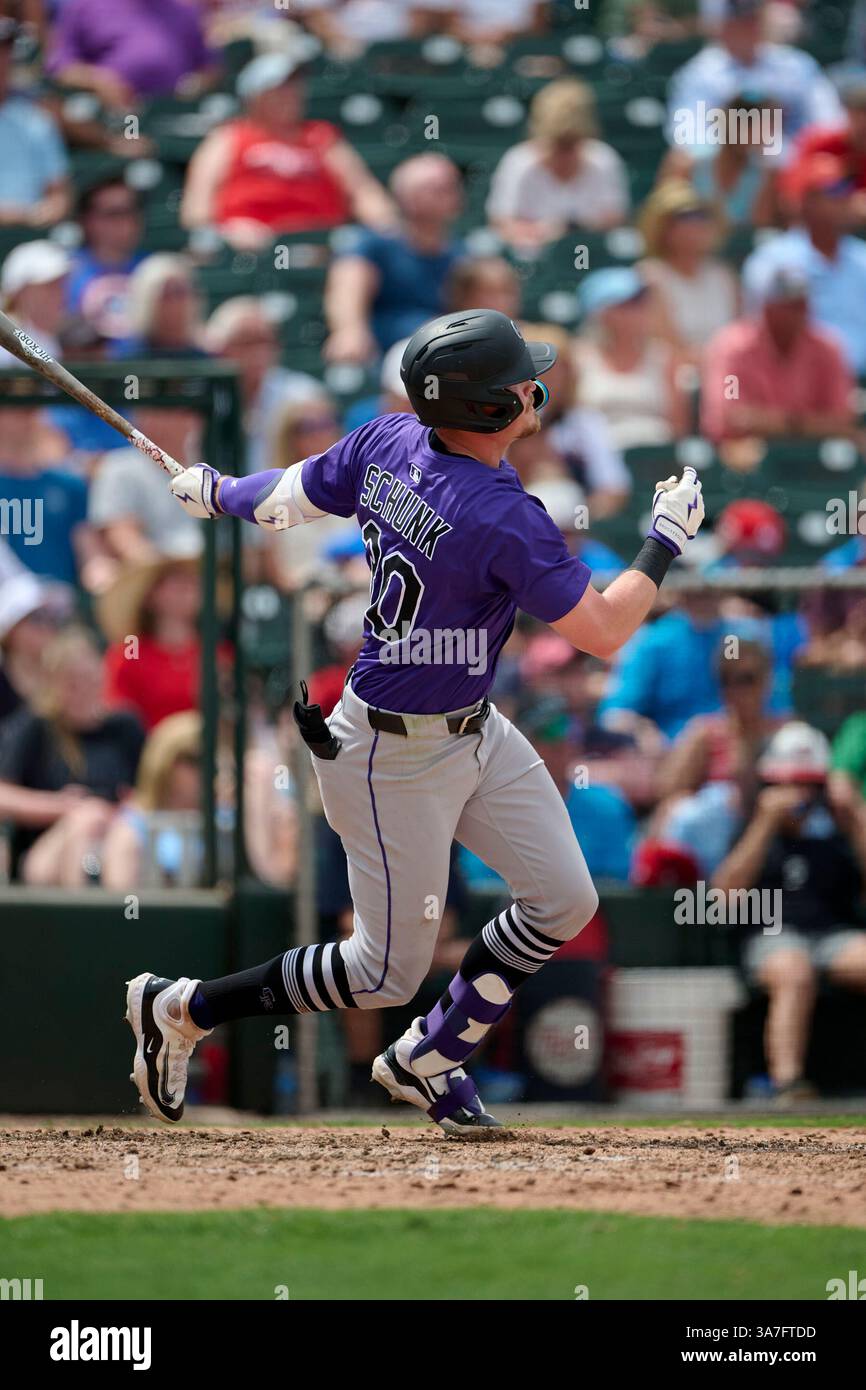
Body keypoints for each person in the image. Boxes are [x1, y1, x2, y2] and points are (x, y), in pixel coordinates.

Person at [121, 306, 705, 1131]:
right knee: (383, 973)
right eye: (519, 384)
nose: (535, 390)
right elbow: (606, 632)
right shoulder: (502, 515)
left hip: (471, 727)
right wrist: (665, 542)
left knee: (564, 899)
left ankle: (429, 1055)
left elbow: (287, 497)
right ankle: (182, 1008)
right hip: (387, 754)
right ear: (490, 410)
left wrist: (220, 492)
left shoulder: (388, 437)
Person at [713, 722, 866, 1102]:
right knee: (794, 970)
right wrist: (766, 823)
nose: (799, 796)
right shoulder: (751, 830)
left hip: (831, 937)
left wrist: (855, 823)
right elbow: (720, 898)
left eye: (809, 785)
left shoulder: (837, 832)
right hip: (771, 939)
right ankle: (789, 1083)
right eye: (788, 784)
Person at [180, 51, 394, 250]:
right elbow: (196, 212)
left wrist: (385, 227)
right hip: (250, 251)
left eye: (295, 85)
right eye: (280, 87)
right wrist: (228, 233)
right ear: (254, 97)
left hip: (318, 248)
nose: (291, 93)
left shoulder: (322, 138)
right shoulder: (227, 139)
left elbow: (364, 193)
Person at [0, 625, 144, 884]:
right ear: (53, 685)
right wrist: (61, 806)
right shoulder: (36, 728)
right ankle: (81, 917)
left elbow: (148, 791)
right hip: (44, 852)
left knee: (114, 834)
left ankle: (123, 918)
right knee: (84, 820)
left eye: (89, 679)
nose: (82, 690)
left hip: (114, 840)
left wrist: (125, 807)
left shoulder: (125, 727)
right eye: (72, 683)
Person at [324, 153, 464, 362]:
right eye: (436, 189)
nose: (448, 194)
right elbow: (347, 287)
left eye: (451, 187)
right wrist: (349, 331)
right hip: (388, 351)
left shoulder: (461, 253)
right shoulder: (374, 244)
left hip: (444, 350)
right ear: (406, 196)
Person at [666, 0, 843, 160]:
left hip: (793, 170)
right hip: (729, 173)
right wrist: (743, 155)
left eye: (752, 19)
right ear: (719, 25)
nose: (747, 27)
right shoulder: (699, 72)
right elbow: (687, 134)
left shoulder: (797, 65)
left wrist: (788, 158)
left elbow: (829, 122)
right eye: (737, 21)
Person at [702, 265, 855, 444]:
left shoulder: (827, 347)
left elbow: (840, 419)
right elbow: (731, 414)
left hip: (811, 452)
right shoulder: (733, 348)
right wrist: (802, 424)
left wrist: (784, 424)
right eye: (789, 306)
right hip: (751, 452)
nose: (799, 313)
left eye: (802, 305)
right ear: (767, 306)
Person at [742, 154, 866, 375]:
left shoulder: (861, 256)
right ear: (803, 201)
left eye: (844, 188)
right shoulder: (773, 260)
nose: (843, 197)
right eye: (831, 190)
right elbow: (761, 331)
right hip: (803, 383)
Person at [487, 78, 630, 251]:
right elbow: (502, 223)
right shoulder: (518, 162)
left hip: (589, 255)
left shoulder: (603, 159)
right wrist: (543, 232)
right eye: (557, 144)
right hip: (532, 261)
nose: (563, 155)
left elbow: (616, 218)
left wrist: (570, 228)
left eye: (571, 144)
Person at [203, 297, 324, 475]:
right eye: (246, 341)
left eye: (265, 341)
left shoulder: (301, 395)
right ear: (218, 348)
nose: (258, 352)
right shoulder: (203, 395)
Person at [574, 266, 690, 448]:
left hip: (657, 461)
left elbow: (678, 428)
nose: (639, 311)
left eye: (641, 302)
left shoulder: (665, 357)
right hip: (600, 463)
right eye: (627, 305)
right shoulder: (578, 359)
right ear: (601, 314)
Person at [98, 556, 213, 731]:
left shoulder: (214, 650)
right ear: (150, 594)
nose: (186, 585)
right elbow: (120, 711)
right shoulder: (131, 649)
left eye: (191, 578)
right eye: (173, 579)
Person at [87, 407, 204, 576]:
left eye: (181, 411)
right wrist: (170, 572)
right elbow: (122, 537)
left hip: (208, 573)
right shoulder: (118, 467)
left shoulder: (211, 469)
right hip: (152, 580)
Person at [47, 0, 218, 108]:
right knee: (138, 155)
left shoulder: (183, 10)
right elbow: (60, 68)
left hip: (172, 112)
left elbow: (209, 67)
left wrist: (194, 85)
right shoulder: (84, 7)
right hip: (121, 115)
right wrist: (96, 80)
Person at [638, 180, 739, 359]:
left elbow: (737, 335)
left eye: (703, 216)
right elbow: (668, 346)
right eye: (685, 217)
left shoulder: (724, 275)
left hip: (724, 371)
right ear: (664, 229)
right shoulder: (651, 276)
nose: (698, 224)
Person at [0, 16, 70, 228]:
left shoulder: (35, 120)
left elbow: (59, 194)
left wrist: (44, 213)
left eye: (5, 49)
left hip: (29, 242)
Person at [66, 177, 144, 344]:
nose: (126, 221)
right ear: (87, 220)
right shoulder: (65, 272)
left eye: (131, 211)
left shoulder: (154, 268)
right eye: (114, 213)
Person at [120, 254, 208, 359]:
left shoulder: (204, 361)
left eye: (180, 292)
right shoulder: (128, 359)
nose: (175, 303)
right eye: (166, 294)